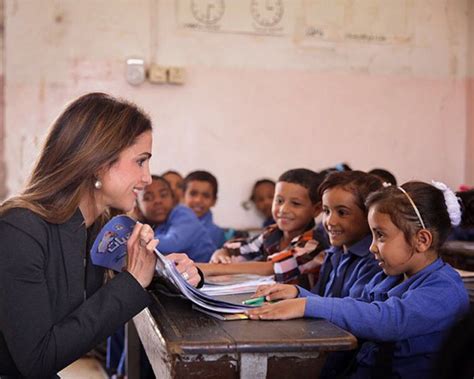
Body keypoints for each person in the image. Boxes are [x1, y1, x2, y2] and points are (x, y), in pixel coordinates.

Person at [0, 93, 201, 377]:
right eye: (140, 161)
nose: (147, 178)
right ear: (97, 162)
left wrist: (176, 273)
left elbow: (134, 285)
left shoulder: (98, 226)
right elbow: (38, 360)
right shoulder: (19, 230)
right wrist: (133, 280)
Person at [247, 180, 470, 379]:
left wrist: (306, 305)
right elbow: (355, 306)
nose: (372, 247)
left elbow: (386, 320)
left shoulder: (444, 288)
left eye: (380, 235)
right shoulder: (392, 278)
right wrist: (299, 294)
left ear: (421, 239)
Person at [201, 169, 329, 287]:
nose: (283, 209)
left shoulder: (313, 245)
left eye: (295, 204)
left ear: (316, 209)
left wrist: (208, 269)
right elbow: (242, 247)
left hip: (300, 310)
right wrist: (222, 253)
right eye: (279, 201)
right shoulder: (272, 233)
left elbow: (270, 269)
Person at [133, 174, 217, 263]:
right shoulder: (152, 226)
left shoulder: (184, 214)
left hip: (209, 268)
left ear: (173, 200)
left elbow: (173, 243)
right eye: (148, 198)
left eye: (163, 195)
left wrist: (137, 242)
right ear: (138, 210)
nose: (158, 201)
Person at [183, 170, 226, 248]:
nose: (198, 200)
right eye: (193, 193)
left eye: (206, 195)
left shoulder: (216, 233)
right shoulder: (167, 224)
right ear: (182, 196)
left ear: (214, 201)